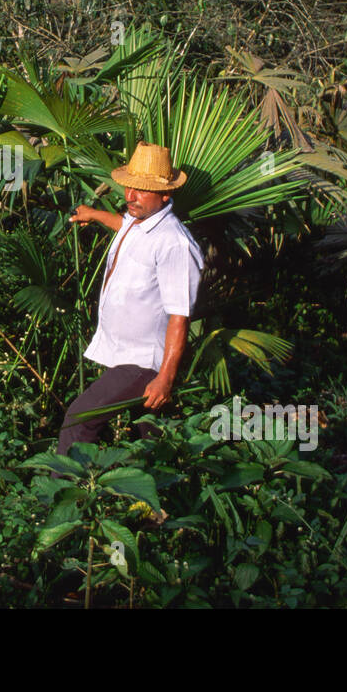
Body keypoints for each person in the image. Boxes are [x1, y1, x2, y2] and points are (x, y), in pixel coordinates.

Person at [57, 141, 203, 456]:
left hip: (143, 362)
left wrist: (165, 378)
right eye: (129, 187)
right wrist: (93, 214)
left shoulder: (174, 244)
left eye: (141, 190)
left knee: (78, 420)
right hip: (123, 354)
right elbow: (122, 226)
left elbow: (179, 316)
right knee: (150, 439)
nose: (130, 196)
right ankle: (165, 483)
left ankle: (61, 486)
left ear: (165, 195)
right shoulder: (140, 221)